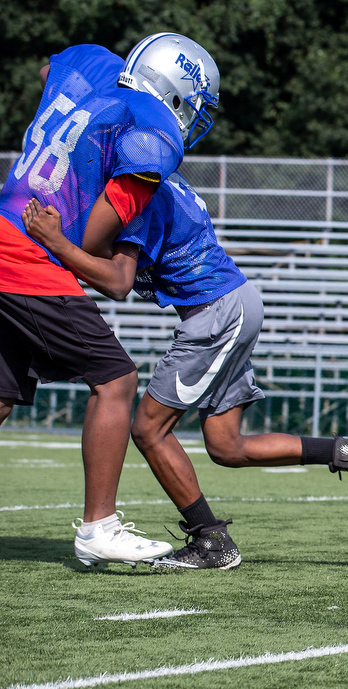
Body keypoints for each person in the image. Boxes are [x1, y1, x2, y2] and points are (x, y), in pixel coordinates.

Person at [22, 166, 348, 571]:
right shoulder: (164, 177)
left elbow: (118, 282)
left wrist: (58, 244)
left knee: (149, 429)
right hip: (234, 301)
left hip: (216, 311)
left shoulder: (138, 190)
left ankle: (211, 540)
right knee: (225, 446)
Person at [0, 33, 218, 568]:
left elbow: (52, 74)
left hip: (1, 228)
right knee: (116, 380)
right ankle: (99, 526)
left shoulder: (93, 66)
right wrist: (64, 233)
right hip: (28, 256)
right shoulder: (154, 131)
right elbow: (95, 244)